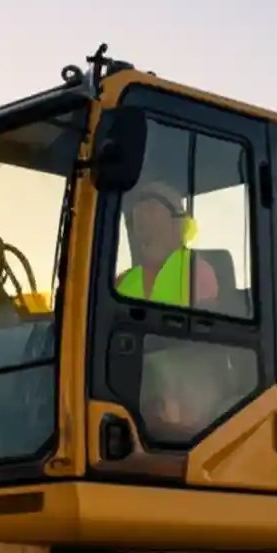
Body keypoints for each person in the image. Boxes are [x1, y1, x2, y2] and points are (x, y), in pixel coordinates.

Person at [116, 179, 226, 438]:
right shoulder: (122, 282)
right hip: (135, 386)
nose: (143, 227)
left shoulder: (197, 271)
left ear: (178, 226)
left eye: (152, 214)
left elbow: (201, 340)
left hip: (185, 396)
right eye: (138, 220)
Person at [116, 179, 218, 309]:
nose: (140, 213)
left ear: (176, 219)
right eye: (137, 207)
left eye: (151, 207)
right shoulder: (122, 281)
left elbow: (203, 325)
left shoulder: (196, 272)